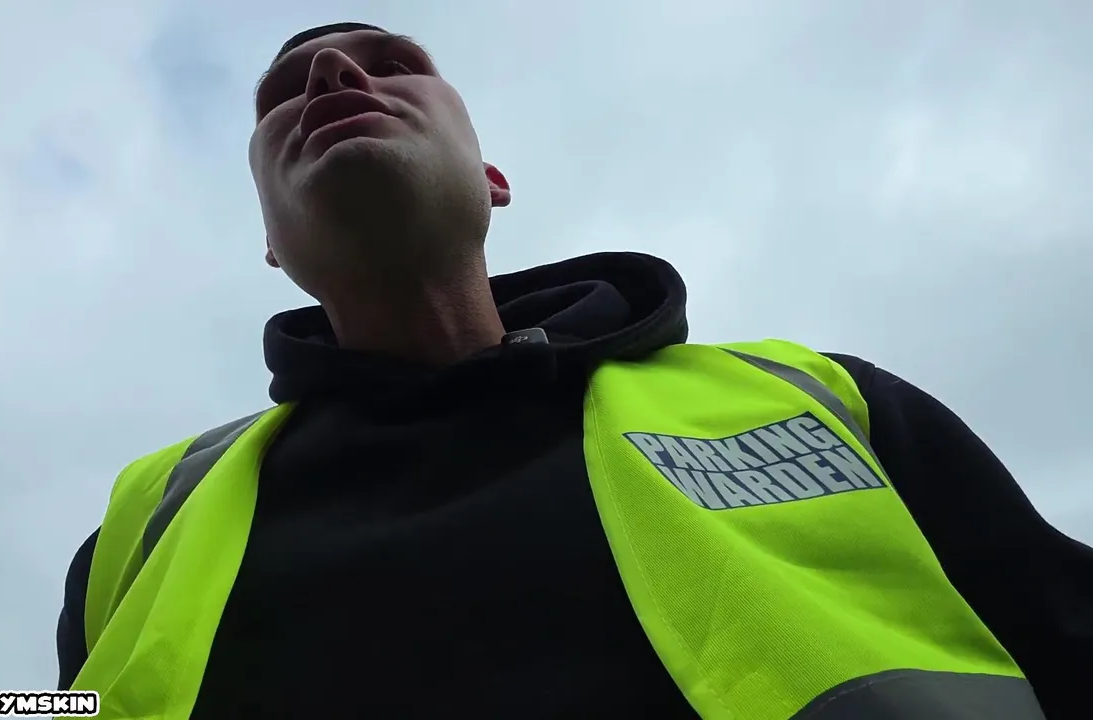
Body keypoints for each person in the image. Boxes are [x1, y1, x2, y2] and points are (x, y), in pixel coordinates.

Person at [54, 22, 1092, 720]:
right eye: (284, 93)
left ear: (492, 179)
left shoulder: (816, 400)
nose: (331, 74)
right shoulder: (146, 525)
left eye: (390, 63)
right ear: (270, 242)